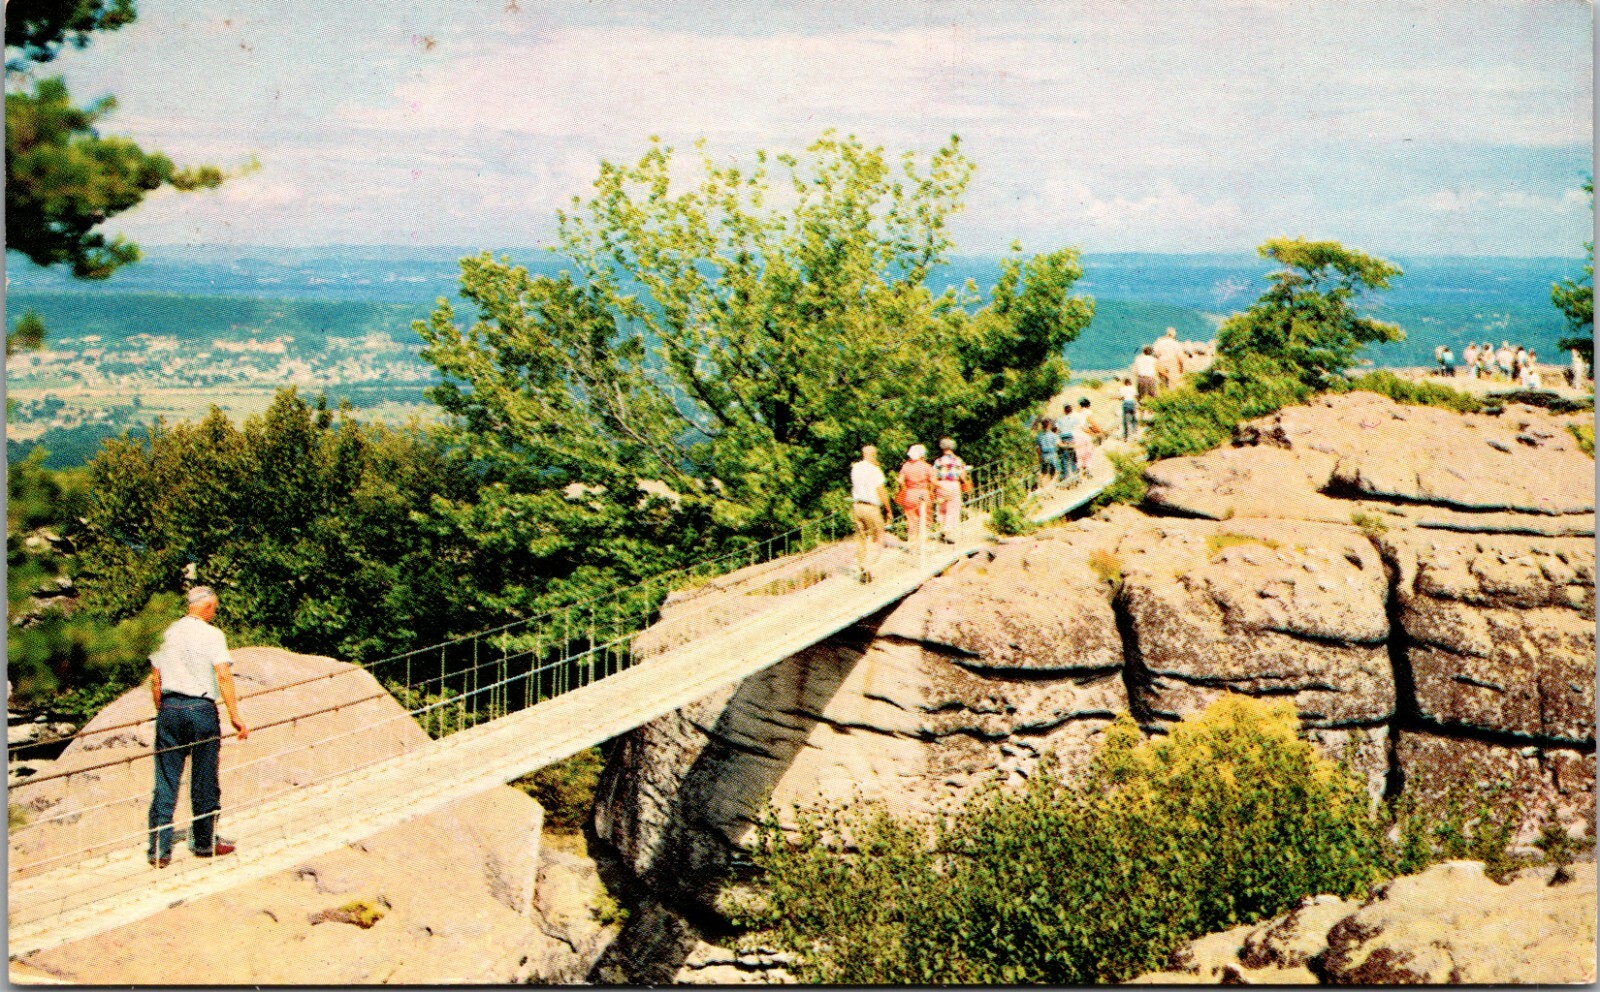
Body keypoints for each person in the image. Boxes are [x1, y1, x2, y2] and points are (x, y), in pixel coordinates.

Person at [147, 586, 248, 869]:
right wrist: (234, 714)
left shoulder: (164, 633)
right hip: (201, 710)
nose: (214, 612)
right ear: (207, 607)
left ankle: (159, 850)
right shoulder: (212, 635)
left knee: (165, 780)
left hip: (169, 708)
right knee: (204, 778)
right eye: (214, 608)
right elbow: (223, 676)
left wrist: (163, 710)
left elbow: (156, 679)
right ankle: (204, 842)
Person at [850, 445, 893, 583]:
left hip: (857, 506)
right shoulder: (875, 470)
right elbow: (881, 491)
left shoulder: (855, 468)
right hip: (871, 507)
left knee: (861, 538)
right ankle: (868, 568)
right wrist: (888, 509)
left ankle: (861, 565)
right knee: (877, 538)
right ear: (874, 454)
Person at [931, 437, 970, 545]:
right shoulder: (957, 460)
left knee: (942, 508)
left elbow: (933, 477)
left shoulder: (938, 461)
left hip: (941, 484)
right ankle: (948, 532)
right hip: (953, 484)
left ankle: (942, 528)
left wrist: (937, 487)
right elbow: (962, 476)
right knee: (953, 508)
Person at [897, 444, 937, 544]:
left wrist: (905, 489)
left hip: (910, 493)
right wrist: (931, 491)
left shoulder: (905, 466)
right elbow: (933, 481)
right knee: (925, 519)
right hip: (923, 493)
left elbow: (900, 481)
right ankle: (923, 543)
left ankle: (912, 544)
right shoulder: (926, 466)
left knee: (911, 520)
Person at [1054, 403, 1082, 483]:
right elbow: (1078, 428)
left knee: (1065, 459)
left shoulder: (1060, 419)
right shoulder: (1075, 418)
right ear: (1071, 410)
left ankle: (1066, 476)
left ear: (1064, 411)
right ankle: (1075, 473)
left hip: (1063, 438)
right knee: (1074, 457)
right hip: (1072, 437)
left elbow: (1057, 430)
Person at [1036, 419, 1060, 488]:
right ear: (1049, 425)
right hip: (1052, 455)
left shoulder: (1039, 436)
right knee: (1057, 471)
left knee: (1044, 473)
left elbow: (1037, 448)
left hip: (1043, 455)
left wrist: (1039, 457)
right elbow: (1058, 444)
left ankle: (1042, 487)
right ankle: (1051, 485)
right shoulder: (1053, 435)